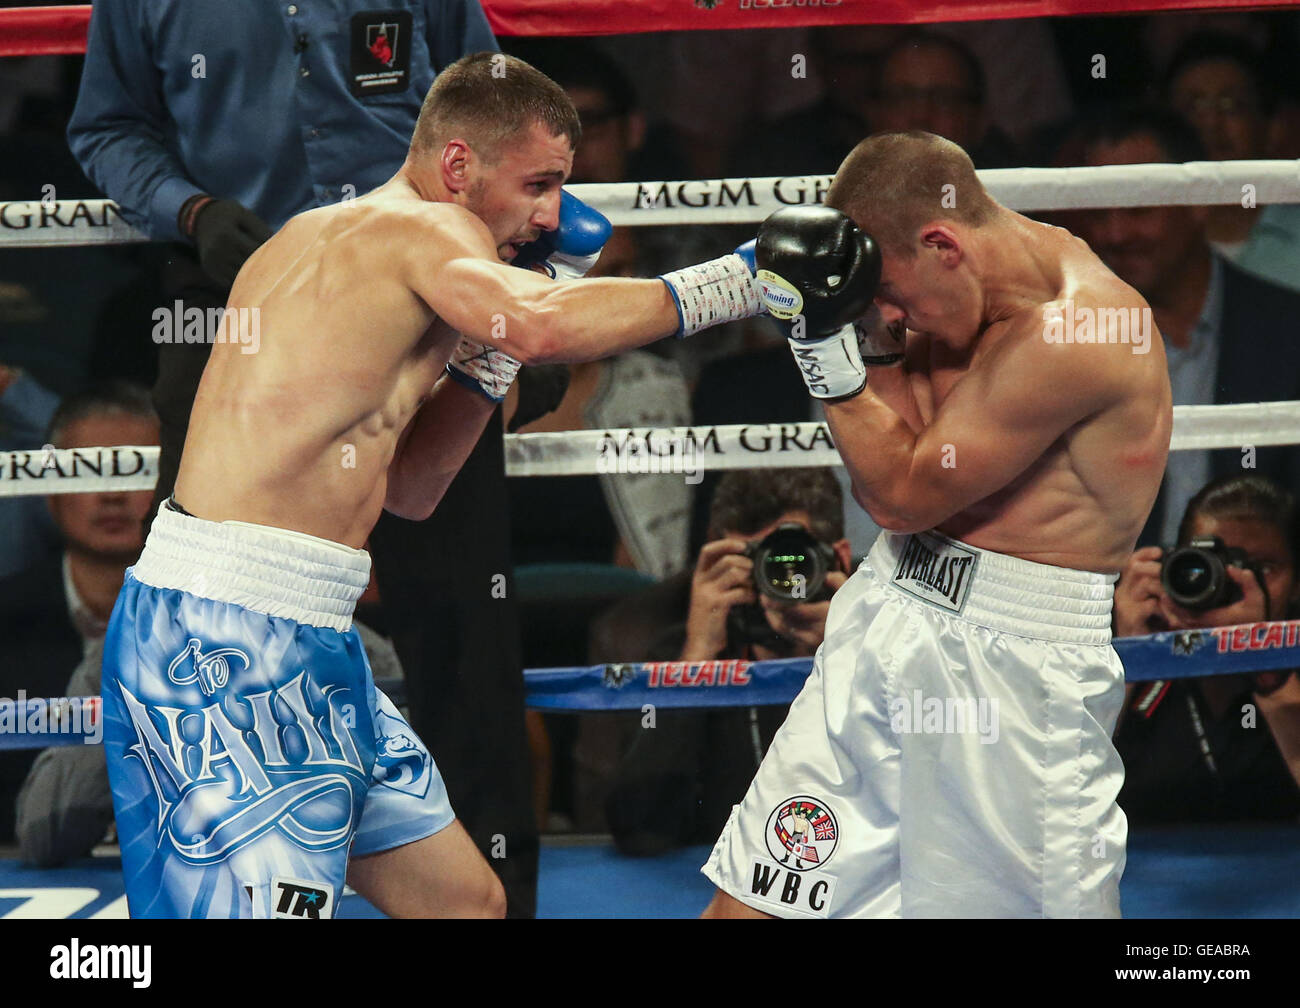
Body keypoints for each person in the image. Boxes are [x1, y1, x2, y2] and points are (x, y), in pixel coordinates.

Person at [99, 52, 763, 919]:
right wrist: (741, 281)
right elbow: (537, 320)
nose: (555, 212)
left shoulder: (311, 242)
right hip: (221, 643)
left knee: (466, 903)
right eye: (540, 183)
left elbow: (411, 487)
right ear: (457, 167)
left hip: (309, 631)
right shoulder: (425, 232)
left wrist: (492, 358)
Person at [63, 0, 548, 917]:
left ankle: (493, 896)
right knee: (215, 585)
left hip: (426, 312)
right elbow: (105, 126)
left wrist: (508, 264)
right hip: (242, 302)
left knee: (462, 624)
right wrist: (191, 208)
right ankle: (209, 849)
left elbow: (496, 112)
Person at [701, 130, 1171, 918]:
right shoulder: (942, 292)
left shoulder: (1077, 330)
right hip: (890, 611)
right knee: (750, 906)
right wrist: (871, 329)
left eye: (890, 296)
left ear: (943, 243)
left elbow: (901, 492)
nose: (888, 316)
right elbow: (901, 441)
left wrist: (821, 340)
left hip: (1013, 675)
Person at [1067, 107, 1300, 546]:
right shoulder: (1069, 339)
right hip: (1110, 606)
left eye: (1138, 209)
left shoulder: (1287, 329)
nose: (1115, 234)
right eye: (1099, 213)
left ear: (1197, 202)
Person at [600, 467, 852, 854]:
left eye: (793, 560)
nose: (777, 579)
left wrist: (847, 655)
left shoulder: (882, 647)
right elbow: (639, 830)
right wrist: (696, 663)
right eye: (758, 562)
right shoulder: (680, 652)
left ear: (839, 559)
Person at [0, 382, 157, 843]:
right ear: (49, 493)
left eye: (131, 469)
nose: (110, 494)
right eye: (85, 471)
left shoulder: (223, 620)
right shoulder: (5, 619)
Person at [1112, 475, 1300, 823]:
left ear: (1296, 585)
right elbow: (1055, 787)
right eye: (1208, 563)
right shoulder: (1135, 656)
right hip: (1138, 875)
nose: (1227, 580)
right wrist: (1128, 659)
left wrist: (1265, 662)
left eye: (1261, 567)